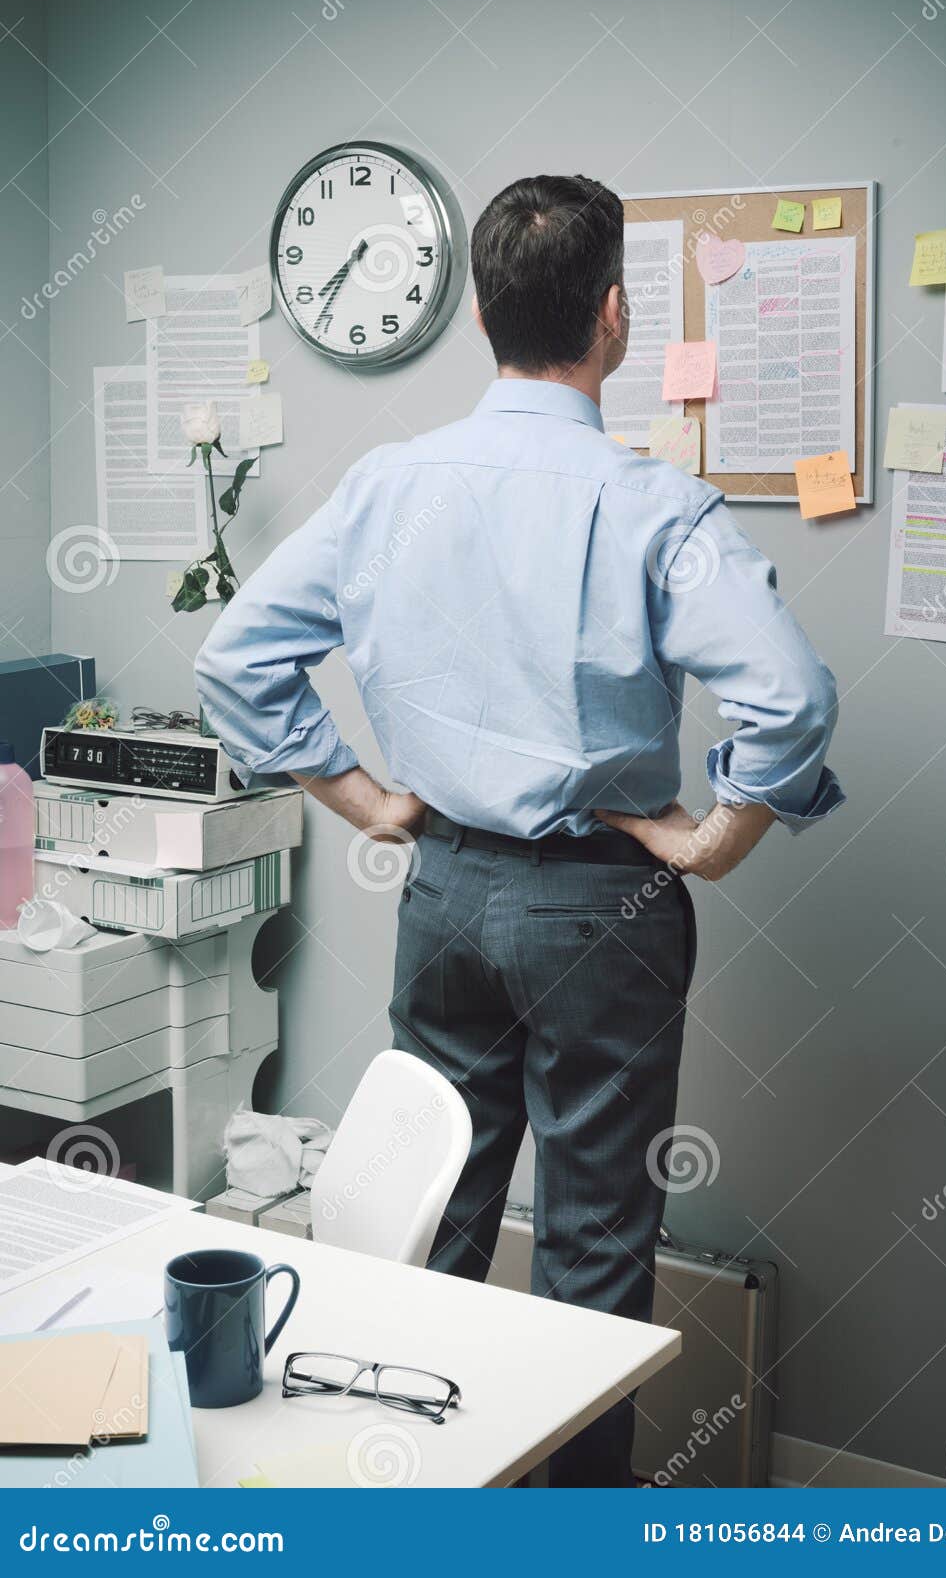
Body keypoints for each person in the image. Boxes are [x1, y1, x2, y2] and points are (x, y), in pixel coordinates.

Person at [195, 172, 843, 1486]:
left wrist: (372, 800)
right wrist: (718, 838)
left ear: (485, 312)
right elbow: (791, 696)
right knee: (593, 1252)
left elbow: (236, 661)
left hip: (440, 897)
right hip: (603, 909)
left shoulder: (387, 485)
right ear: (612, 317)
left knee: (431, 1218)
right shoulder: (660, 505)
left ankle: (418, 1505)